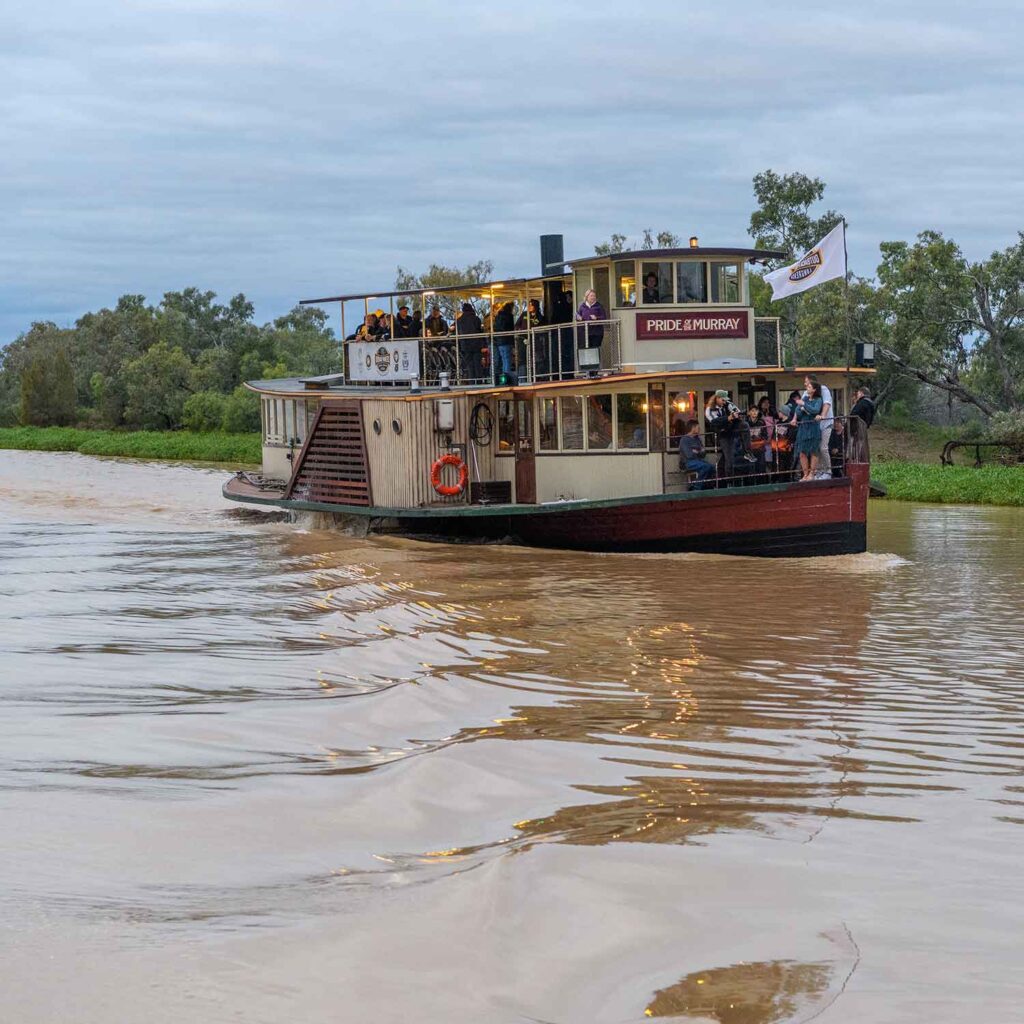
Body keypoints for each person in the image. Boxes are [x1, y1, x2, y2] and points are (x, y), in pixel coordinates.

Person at [705, 390, 757, 482]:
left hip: (732, 427)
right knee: (729, 459)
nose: (724, 402)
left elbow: (737, 412)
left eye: (725, 400)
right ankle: (729, 481)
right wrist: (728, 418)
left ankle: (747, 452)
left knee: (744, 425)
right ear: (717, 398)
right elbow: (714, 421)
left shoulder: (728, 404)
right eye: (723, 400)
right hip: (722, 433)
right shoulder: (710, 409)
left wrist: (737, 415)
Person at [794, 381, 825, 481]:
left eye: (809, 387)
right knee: (802, 452)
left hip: (813, 427)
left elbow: (815, 410)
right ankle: (805, 474)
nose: (807, 388)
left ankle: (812, 473)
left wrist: (804, 406)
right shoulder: (805, 398)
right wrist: (803, 408)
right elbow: (798, 411)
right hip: (803, 427)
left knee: (813, 451)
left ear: (814, 389)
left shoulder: (818, 399)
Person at [804, 374, 833, 477]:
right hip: (814, 426)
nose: (805, 384)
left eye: (806, 381)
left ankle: (828, 471)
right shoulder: (805, 393)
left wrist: (823, 415)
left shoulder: (823, 389)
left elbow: (827, 403)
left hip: (826, 424)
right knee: (815, 448)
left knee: (823, 448)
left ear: (812, 382)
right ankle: (819, 471)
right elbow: (801, 405)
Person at [575, 289, 606, 374]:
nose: (593, 297)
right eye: (591, 296)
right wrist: (578, 318)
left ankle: (595, 371)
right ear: (587, 297)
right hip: (585, 333)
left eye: (594, 296)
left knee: (595, 350)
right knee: (586, 351)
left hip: (596, 333)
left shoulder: (599, 306)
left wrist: (596, 318)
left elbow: (604, 317)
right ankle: (587, 371)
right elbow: (578, 316)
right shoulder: (582, 306)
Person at [679, 419, 715, 489]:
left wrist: (696, 451)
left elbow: (703, 454)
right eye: (698, 427)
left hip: (698, 461)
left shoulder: (697, 439)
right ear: (693, 428)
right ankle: (696, 487)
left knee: (712, 468)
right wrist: (699, 451)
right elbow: (689, 455)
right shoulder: (684, 439)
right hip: (687, 462)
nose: (699, 429)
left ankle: (706, 487)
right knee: (706, 467)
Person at [515, 299, 545, 380]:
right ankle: (522, 378)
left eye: (531, 305)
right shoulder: (524, 314)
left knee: (537, 359)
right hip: (522, 339)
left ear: (535, 306)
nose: (529, 306)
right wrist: (520, 331)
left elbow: (541, 327)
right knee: (523, 359)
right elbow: (517, 325)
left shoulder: (540, 317)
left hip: (535, 340)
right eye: (529, 305)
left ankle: (538, 377)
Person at [456, 302, 484, 381]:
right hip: (476, 344)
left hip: (465, 345)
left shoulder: (459, 320)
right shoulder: (476, 319)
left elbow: (458, 332)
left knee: (469, 365)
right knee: (477, 364)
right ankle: (479, 381)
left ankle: (471, 381)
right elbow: (480, 330)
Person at [849, 384, 875, 463]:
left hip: (858, 427)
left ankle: (856, 461)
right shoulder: (870, 403)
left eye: (858, 394)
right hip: (864, 427)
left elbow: (854, 413)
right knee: (861, 444)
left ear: (861, 393)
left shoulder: (863, 402)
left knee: (857, 445)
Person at [493, 300, 516, 383]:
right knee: (507, 359)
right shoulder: (509, 316)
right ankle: (507, 377)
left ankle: (503, 378)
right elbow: (511, 327)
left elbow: (496, 328)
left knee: (503, 359)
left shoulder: (498, 316)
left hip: (499, 341)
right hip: (507, 340)